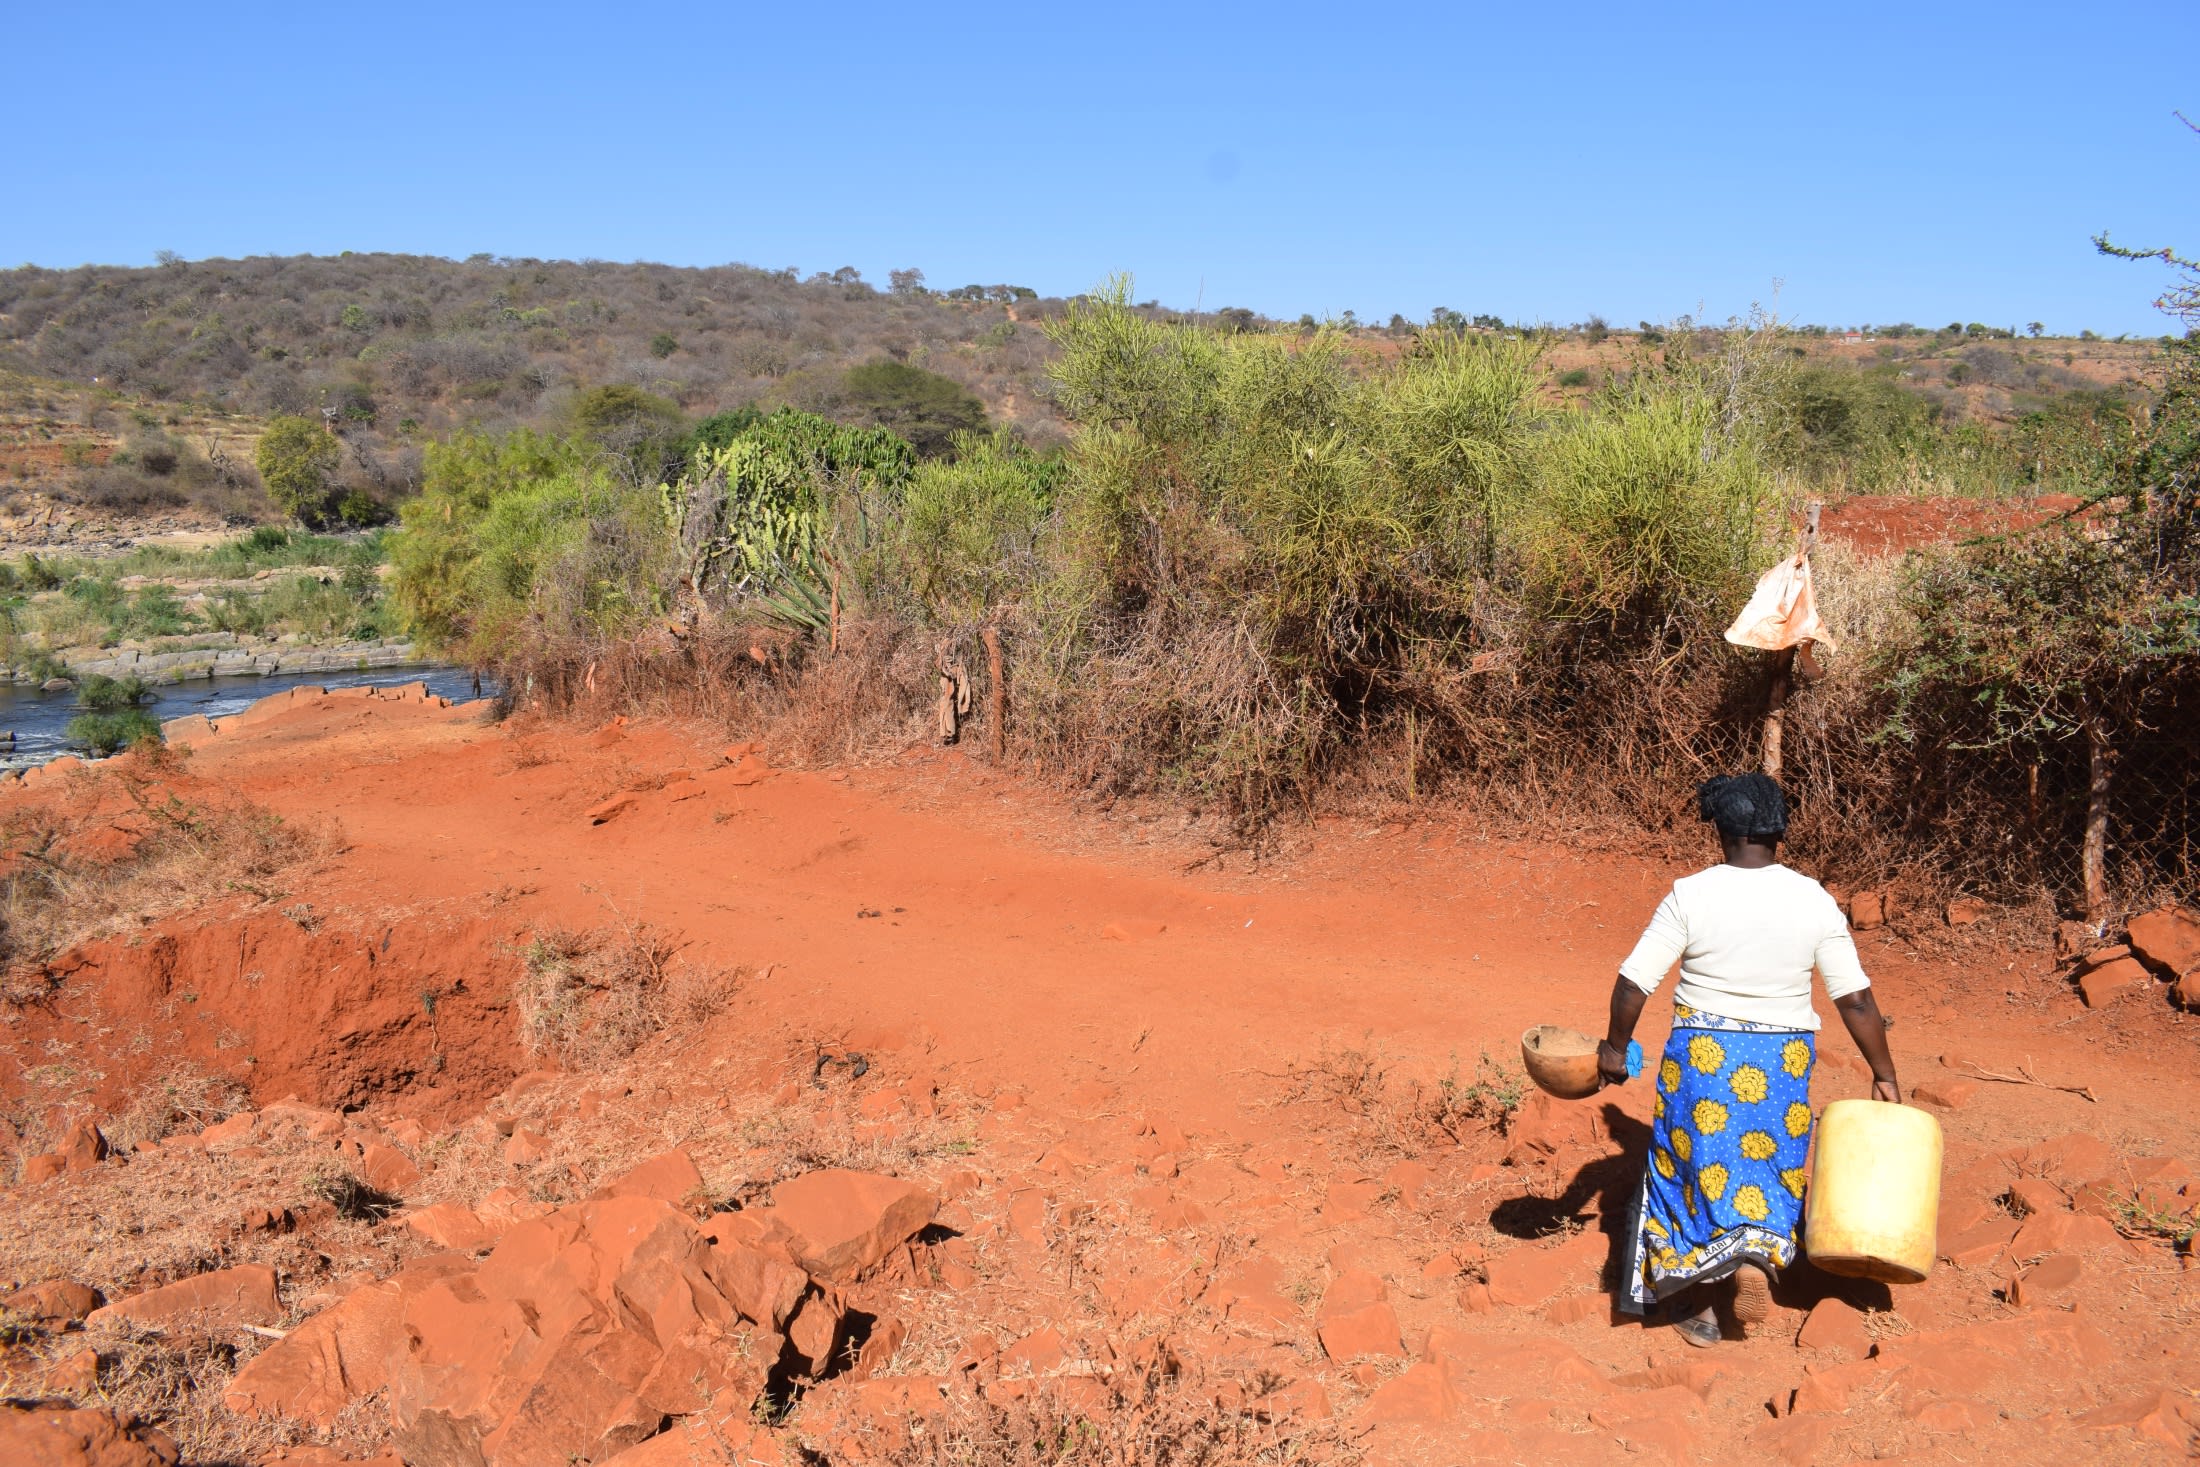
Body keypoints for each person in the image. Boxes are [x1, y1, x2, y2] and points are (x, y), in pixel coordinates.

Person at [1597, 772, 1899, 1347]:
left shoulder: (1692, 894)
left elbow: (1635, 981)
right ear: (1778, 832)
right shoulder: (1813, 899)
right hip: (1783, 1055)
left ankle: (1707, 1309)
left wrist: (1615, 1047)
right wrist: (1883, 1074)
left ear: (1722, 831)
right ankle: (1758, 1260)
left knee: (1695, 1167)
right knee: (1770, 1161)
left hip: (1704, 1053)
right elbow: (1855, 998)